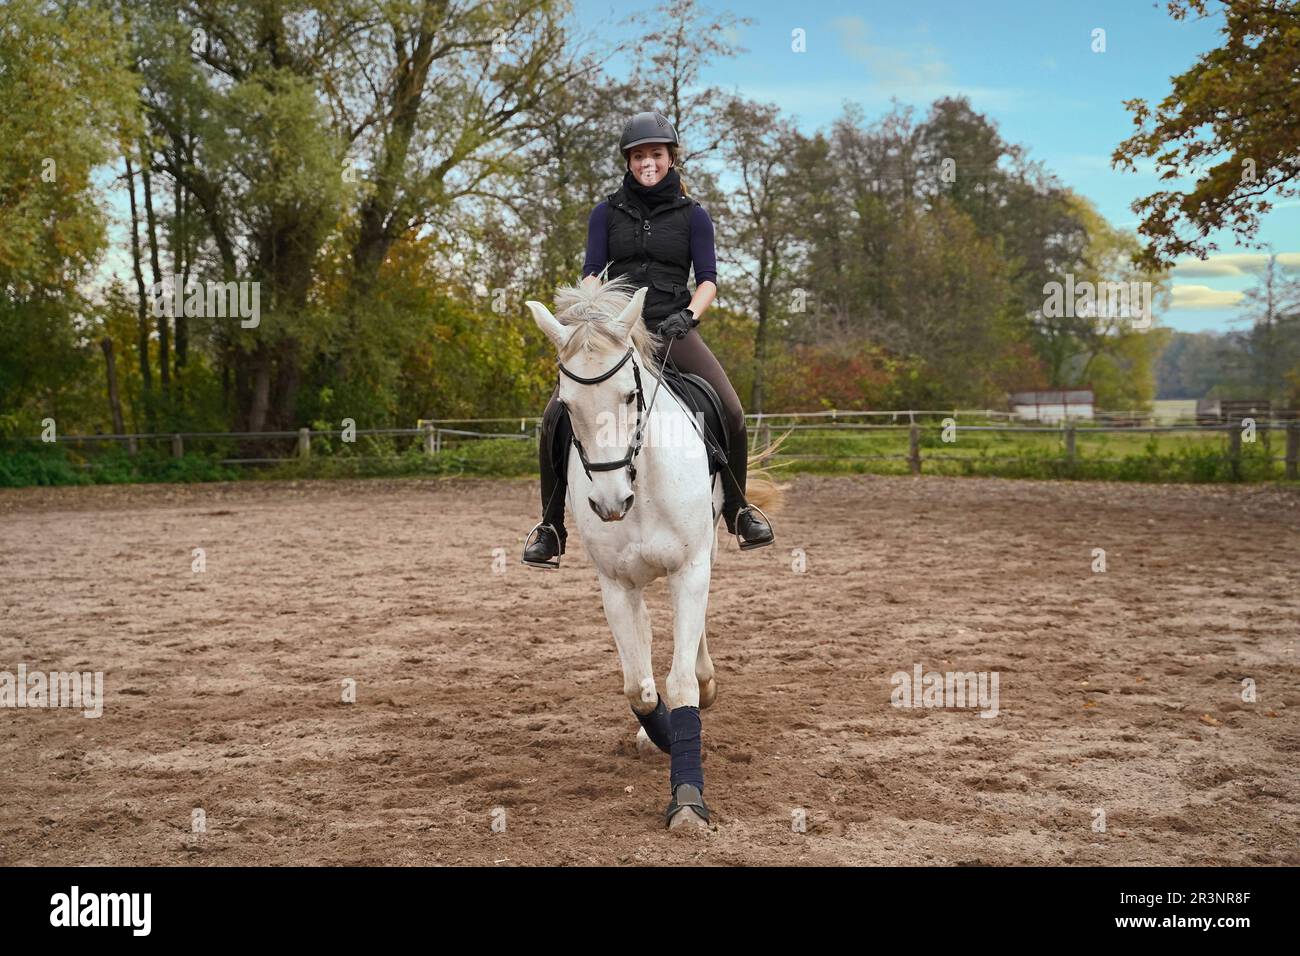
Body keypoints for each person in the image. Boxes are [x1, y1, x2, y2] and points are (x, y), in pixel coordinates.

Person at [522, 110, 775, 568]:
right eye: (639, 156)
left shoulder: (694, 215)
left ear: (671, 158)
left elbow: (709, 280)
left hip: (671, 326)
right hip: (617, 333)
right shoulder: (605, 213)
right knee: (555, 415)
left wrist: (689, 316)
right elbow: (592, 272)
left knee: (732, 409)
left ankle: (739, 512)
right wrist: (593, 317)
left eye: (655, 154)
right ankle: (551, 527)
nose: (647, 163)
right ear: (628, 162)